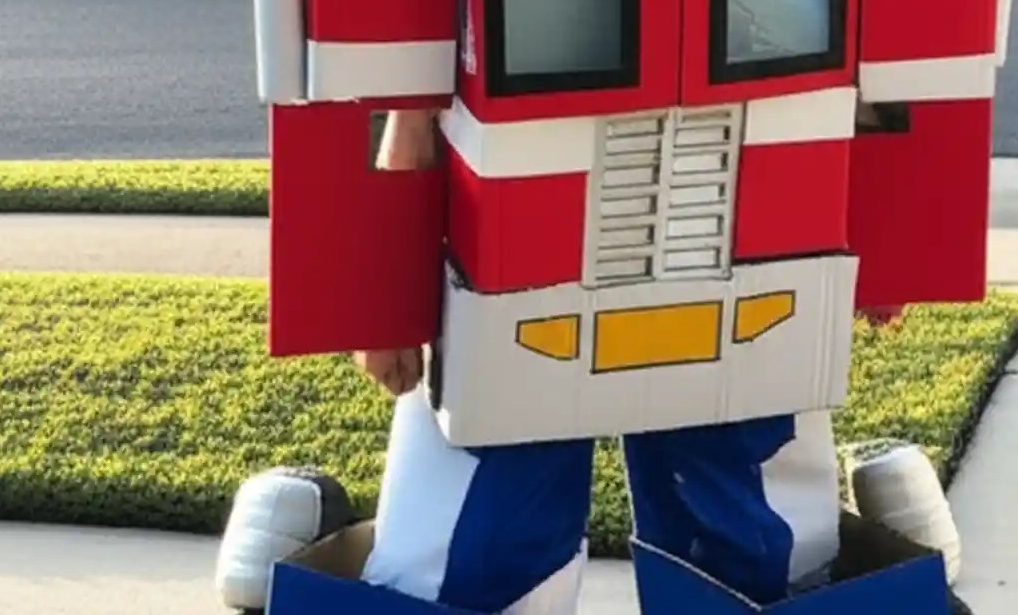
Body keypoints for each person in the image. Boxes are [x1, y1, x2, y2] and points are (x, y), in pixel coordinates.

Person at [350, 107, 843, 615]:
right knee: (480, 551)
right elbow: (410, 71)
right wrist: (391, 276)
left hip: (743, 186)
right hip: (515, 198)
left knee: (748, 543)